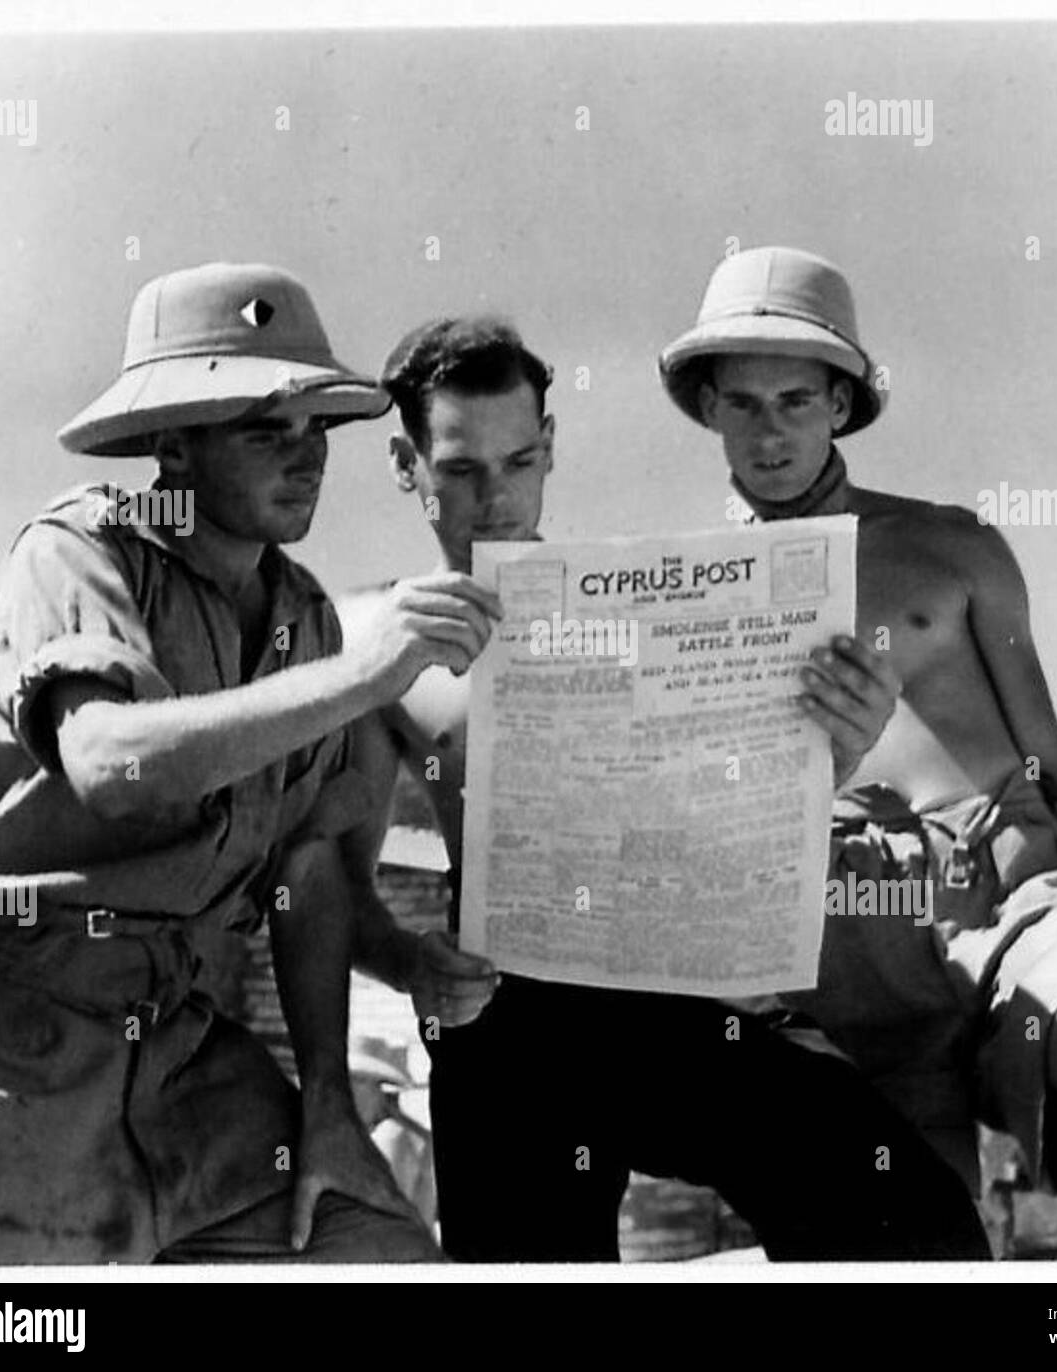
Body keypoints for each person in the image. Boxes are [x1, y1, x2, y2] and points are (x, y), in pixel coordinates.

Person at [338, 316, 993, 1262]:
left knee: (908, 1209)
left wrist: (833, 756)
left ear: (552, 448)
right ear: (406, 462)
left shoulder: (654, 609)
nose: (496, 499)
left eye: (520, 462)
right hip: (507, 1019)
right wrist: (411, 966)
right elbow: (338, 891)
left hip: (672, 1001)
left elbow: (754, 825)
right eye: (460, 471)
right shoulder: (377, 640)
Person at [658, 244, 1057, 1259]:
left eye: (794, 397)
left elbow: (1047, 755)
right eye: (741, 403)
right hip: (839, 944)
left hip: (1011, 896)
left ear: (840, 402)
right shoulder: (674, 593)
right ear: (706, 410)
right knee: (919, 1247)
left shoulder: (952, 547)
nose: (770, 428)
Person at [0, 261, 502, 1263]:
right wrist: (366, 677)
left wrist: (358, 1055)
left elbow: (308, 876)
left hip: (193, 1061)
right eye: (265, 430)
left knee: (385, 1253)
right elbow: (110, 764)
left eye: (316, 432)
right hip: (15, 1053)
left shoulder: (305, 617)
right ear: (172, 444)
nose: (305, 460)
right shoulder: (82, 550)